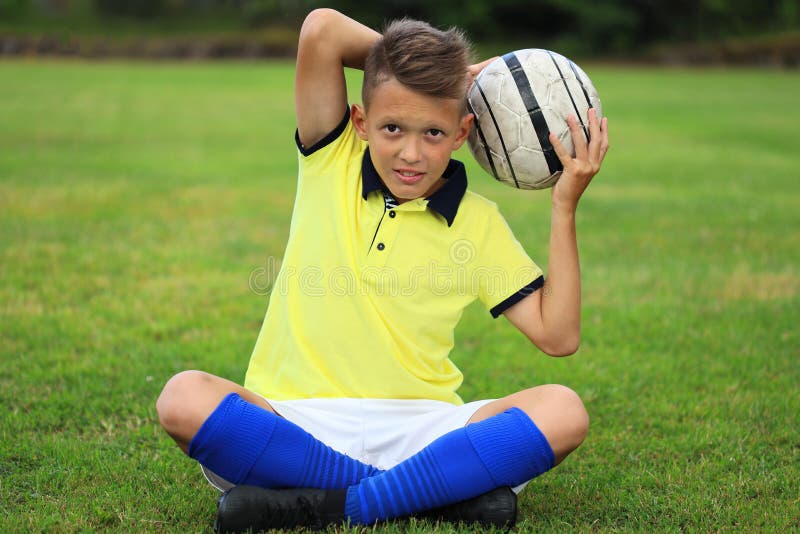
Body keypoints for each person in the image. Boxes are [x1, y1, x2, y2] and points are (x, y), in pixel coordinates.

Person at [156, 7, 609, 532]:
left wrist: (564, 208)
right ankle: (430, 495)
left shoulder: (479, 223)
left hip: (423, 429)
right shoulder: (332, 160)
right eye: (392, 127)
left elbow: (559, 336)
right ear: (361, 122)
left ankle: (335, 503)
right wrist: (449, 76)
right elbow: (322, 31)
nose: (411, 153)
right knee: (183, 397)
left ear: (463, 132)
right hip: (297, 423)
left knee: (565, 410)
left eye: (434, 132)